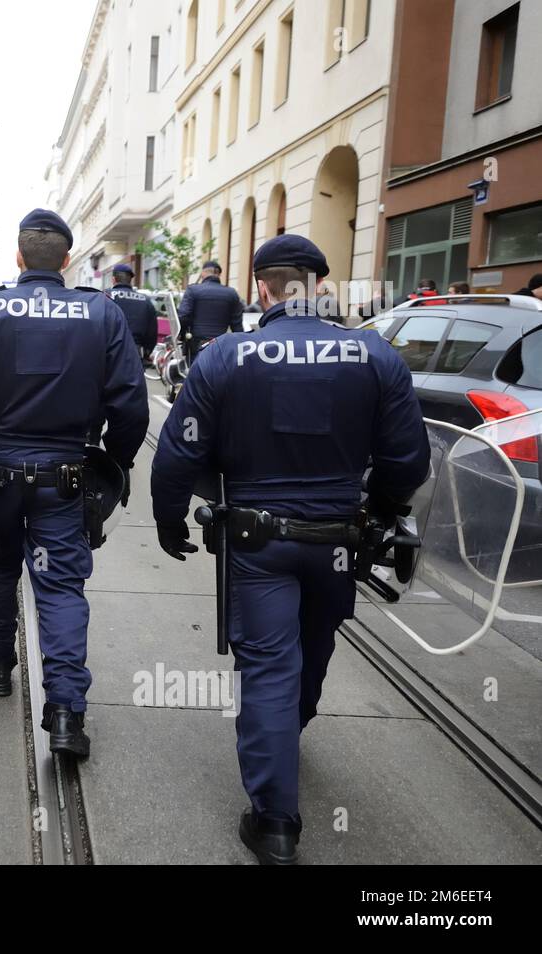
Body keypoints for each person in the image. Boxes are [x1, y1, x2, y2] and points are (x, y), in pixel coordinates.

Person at [150, 234, 430, 864]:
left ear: (263, 289)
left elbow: (178, 452)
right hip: (338, 541)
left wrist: (171, 521)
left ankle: (275, 821)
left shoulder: (225, 357)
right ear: (318, 286)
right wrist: (382, 511)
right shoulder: (374, 354)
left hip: (258, 543)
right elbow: (407, 457)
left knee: (270, 667)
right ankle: (287, 731)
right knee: (316, 646)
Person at [0, 209, 149, 757]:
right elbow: (130, 406)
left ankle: (0, 665)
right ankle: (64, 713)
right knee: (59, 589)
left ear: (19, 257)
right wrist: (114, 464)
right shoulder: (99, 313)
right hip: (66, 477)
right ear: (68, 260)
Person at [177, 260, 242, 362]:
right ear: (218, 274)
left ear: (203, 273)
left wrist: (181, 335)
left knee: (196, 375)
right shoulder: (231, 293)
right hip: (221, 345)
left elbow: (183, 316)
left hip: (196, 345)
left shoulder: (193, 290)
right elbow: (237, 325)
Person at [107, 263, 159, 365]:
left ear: (113, 279)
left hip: (108, 352)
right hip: (135, 354)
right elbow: (152, 332)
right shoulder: (146, 300)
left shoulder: (104, 296)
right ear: (130, 280)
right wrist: (147, 353)